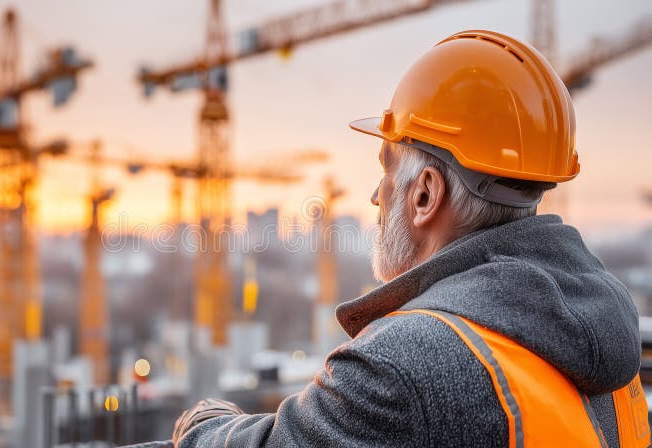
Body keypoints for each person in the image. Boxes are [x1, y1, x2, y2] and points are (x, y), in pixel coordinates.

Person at [170, 30, 650, 447]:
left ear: (424, 195)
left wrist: (203, 422)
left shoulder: (402, 365)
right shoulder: (605, 330)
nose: (375, 195)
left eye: (386, 170)